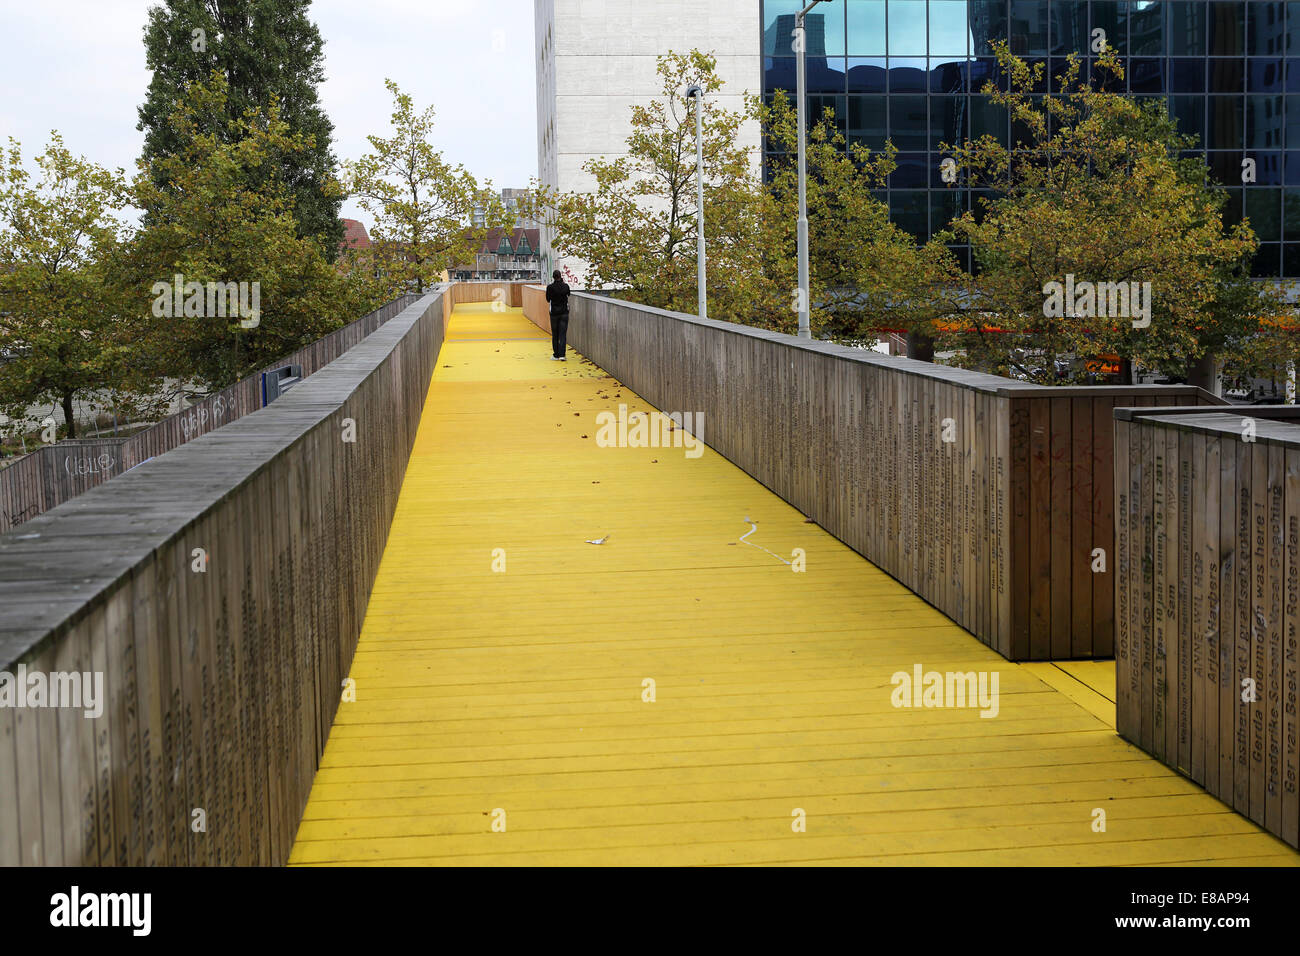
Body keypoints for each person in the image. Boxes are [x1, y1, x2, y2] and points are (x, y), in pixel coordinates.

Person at [545, 269, 571, 361]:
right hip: (564, 313)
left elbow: (548, 299)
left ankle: (556, 355)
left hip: (554, 314)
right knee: (563, 334)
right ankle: (562, 355)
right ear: (561, 276)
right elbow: (568, 294)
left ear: (553, 277)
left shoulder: (550, 287)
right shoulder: (566, 286)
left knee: (555, 334)